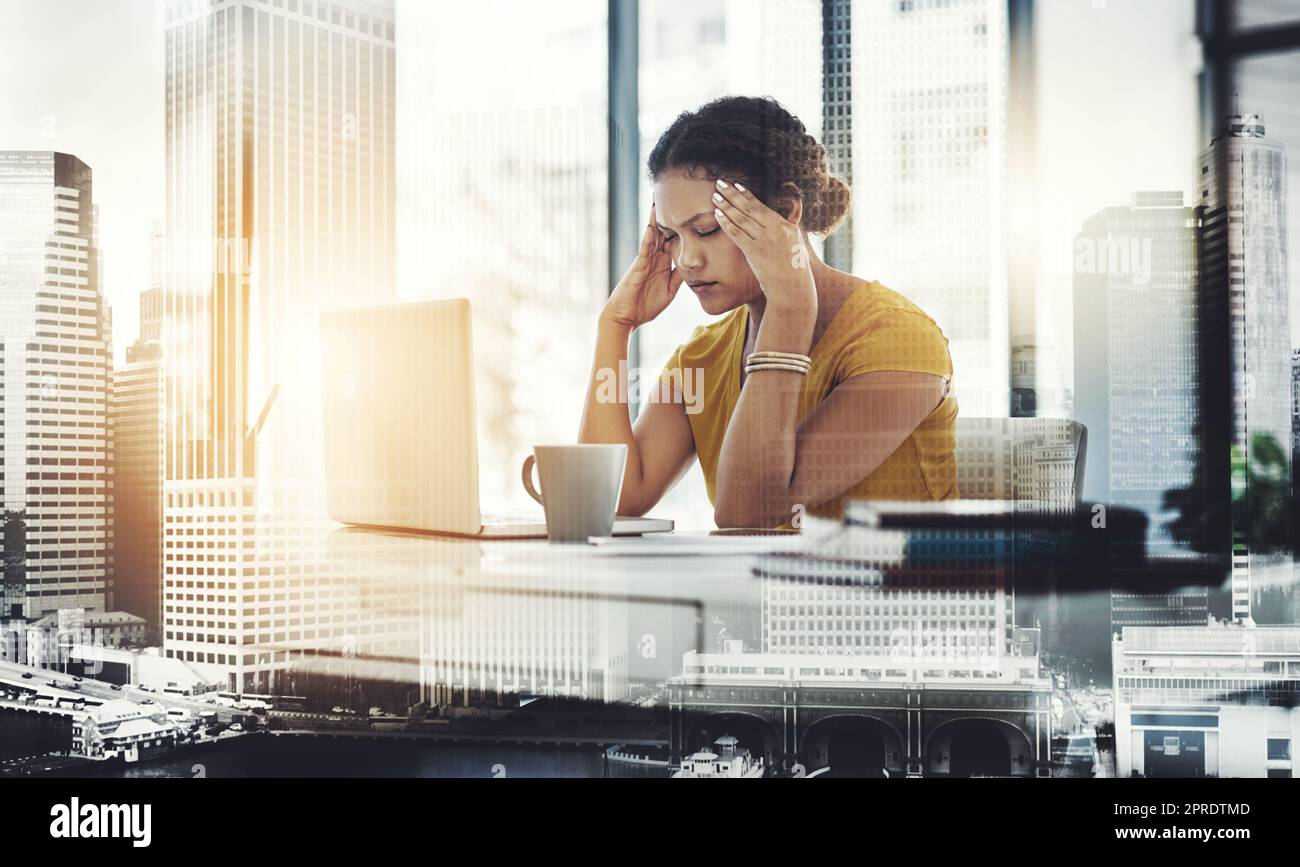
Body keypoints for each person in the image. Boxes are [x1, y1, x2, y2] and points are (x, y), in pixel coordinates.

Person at [578, 96, 958, 529]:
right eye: (671, 237)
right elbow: (608, 498)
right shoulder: (701, 358)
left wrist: (790, 306)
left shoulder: (900, 340)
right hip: (755, 577)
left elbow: (749, 514)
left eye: (706, 229)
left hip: (896, 577)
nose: (686, 260)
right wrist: (615, 326)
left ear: (786, 212)